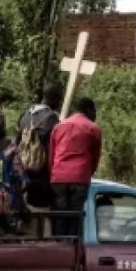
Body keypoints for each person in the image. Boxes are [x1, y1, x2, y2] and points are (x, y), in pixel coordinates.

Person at [49, 97, 102, 236]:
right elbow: (95, 158)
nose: (95, 115)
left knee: (60, 215)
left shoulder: (58, 126)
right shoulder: (93, 128)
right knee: (75, 218)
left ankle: (59, 247)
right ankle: (73, 249)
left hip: (58, 177)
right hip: (79, 177)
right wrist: (87, 174)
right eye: (94, 111)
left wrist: (54, 173)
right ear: (88, 110)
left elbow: (52, 154)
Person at [18, 85, 62, 209]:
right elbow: (54, 148)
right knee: (42, 214)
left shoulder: (25, 115)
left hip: (24, 169)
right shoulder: (52, 118)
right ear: (55, 99)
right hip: (41, 174)